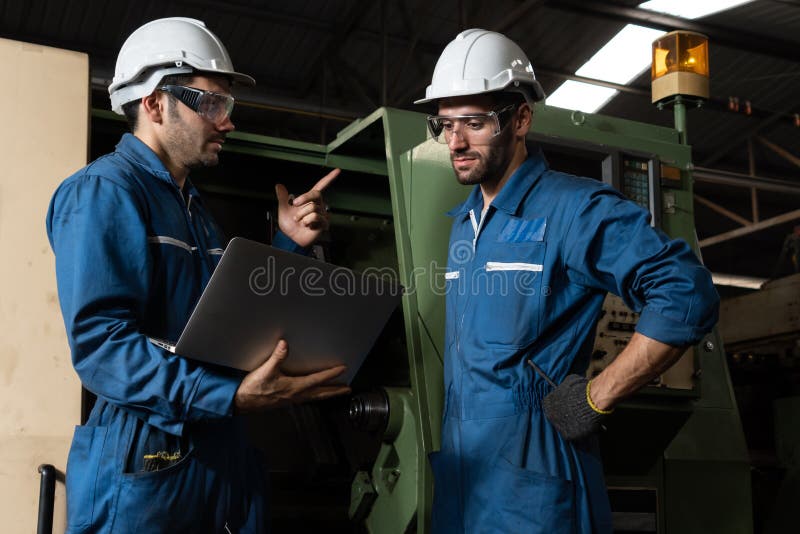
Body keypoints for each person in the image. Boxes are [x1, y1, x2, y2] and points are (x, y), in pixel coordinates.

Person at [46, 17, 350, 533]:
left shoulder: (191, 206)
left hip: (215, 446)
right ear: (154, 103)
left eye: (227, 105)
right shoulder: (104, 192)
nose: (227, 121)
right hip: (148, 448)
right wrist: (226, 395)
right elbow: (101, 347)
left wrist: (287, 245)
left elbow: (225, 320)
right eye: (211, 102)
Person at [415, 29, 719, 533]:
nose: (456, 142)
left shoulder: (575, 209)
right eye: (445, 124)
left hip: (534, 489)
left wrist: (598, 395)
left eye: (474, 122)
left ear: (521, 118)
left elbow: (686, 292)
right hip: (465, 484)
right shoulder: (465, 223)